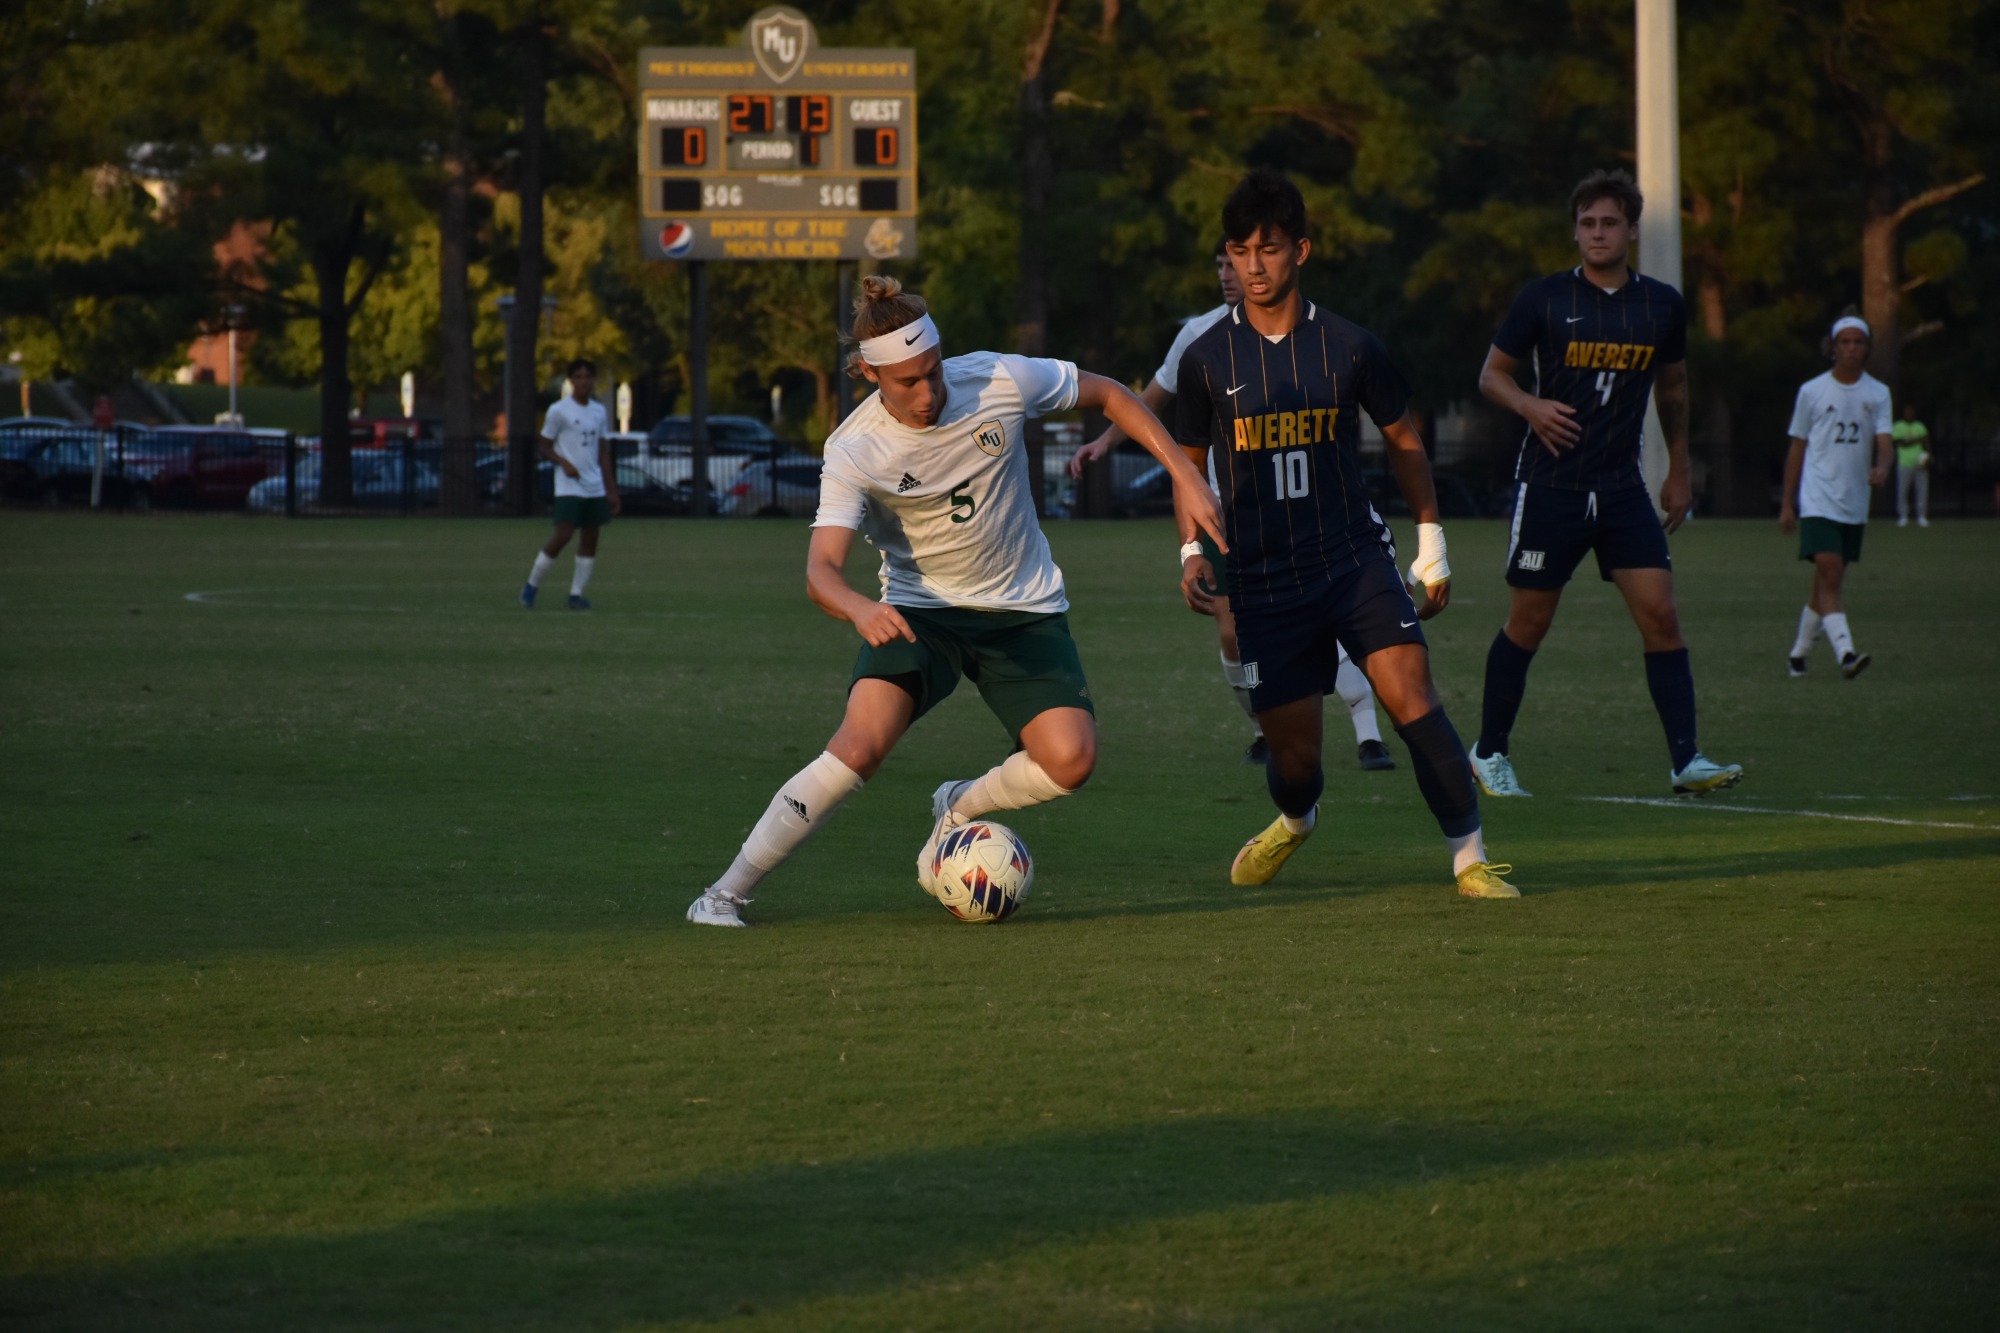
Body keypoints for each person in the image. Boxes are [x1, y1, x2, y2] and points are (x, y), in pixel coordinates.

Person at [686, 276, 1227, 927]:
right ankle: (723, 894)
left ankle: (959, 803)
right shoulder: (855, 448)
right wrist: (860, 608)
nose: (928, 392)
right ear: (867, 373)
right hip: (922, 614)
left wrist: (1187, 473)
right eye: (907, 381)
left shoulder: (999, 377)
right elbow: (821, 572)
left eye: (932, 372)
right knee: (858, 747)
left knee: (1072, 760)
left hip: (1022, 611)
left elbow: (1109, 392)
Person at [1173, 168, 1517, 900]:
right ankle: (1296, 821)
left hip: (1352, 558)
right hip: (1263, 576)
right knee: (1296, 760)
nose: (1253, 265)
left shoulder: (1351, 346)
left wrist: (1431, 543)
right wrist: (1192, 550)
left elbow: (1404, 440)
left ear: (1303, 249)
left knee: (1411, 698)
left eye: (1268, 248)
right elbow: (1188, 467)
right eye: (1240, 250)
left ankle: (1471, 859)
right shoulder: (1206, 359)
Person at [1070, 238, 1396, 772]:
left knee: (1330, 614)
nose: (1231, 271)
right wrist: (1104, 443)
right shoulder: (1199, 336)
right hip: (1228, 512)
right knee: (1231, 630)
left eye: (1239, 259)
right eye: (1223, 261)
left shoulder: (1308, 334)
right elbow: (1148, 398)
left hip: (1305, 507)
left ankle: (1368, 734)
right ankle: (1264, 727)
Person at [1469, 168, 1742, 799]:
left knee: (1661, 616)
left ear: (1632, 230)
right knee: (1529, 622)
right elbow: (1491, 376)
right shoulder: (1543, 298)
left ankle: (1686, 760)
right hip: (1552, 486)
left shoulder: (1662, 305)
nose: (1598, 233)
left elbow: (1673, 387)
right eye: (1588, 223)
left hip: (1621, 489)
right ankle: (1489, 751)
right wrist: (1532, 407)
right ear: (1575, 231)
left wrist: (1678, 467)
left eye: (1610, 222)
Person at [1780, 313, 1894, 679]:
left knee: (1827, 583)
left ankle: (1798, 655)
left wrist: (1882, 467)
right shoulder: (1812, 391)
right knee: (1830, 574)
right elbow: (1797, 448)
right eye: (1844, 342)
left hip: (1855, 501)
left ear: (1867, 348)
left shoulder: (1878, 393)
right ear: (1833, 347)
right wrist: (1788, 502)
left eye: (1858, 342)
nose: (1851, 348)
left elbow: (1885, 442)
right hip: (1818, 498)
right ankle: (1846, 654)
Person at [520, 358, 619, 610]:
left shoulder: (599, 411)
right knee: (563, 535)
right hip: (568, 485)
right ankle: (531, 585)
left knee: (590, 536)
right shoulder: (558, 410)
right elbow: (544, 444)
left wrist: (610, 489)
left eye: (588, 376)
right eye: (578, 376)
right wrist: (562, 462)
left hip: (594, 485)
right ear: (571, 380)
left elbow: (603, 451)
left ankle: (575, 594)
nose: (584, 381)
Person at [1892, 402, 1931, 528]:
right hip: (1904, 463)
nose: (1909, 414)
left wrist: (1928, 457)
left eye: (1911, 412)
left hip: (1919, 463)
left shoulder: (1919, 426)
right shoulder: (1898, 426)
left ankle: (1922, 516)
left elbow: (1926, 441)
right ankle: (1903, 516)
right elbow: (1900, 442)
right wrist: (1915, 440)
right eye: (1907, 412)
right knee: (1902, 490)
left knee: (1922, 490)